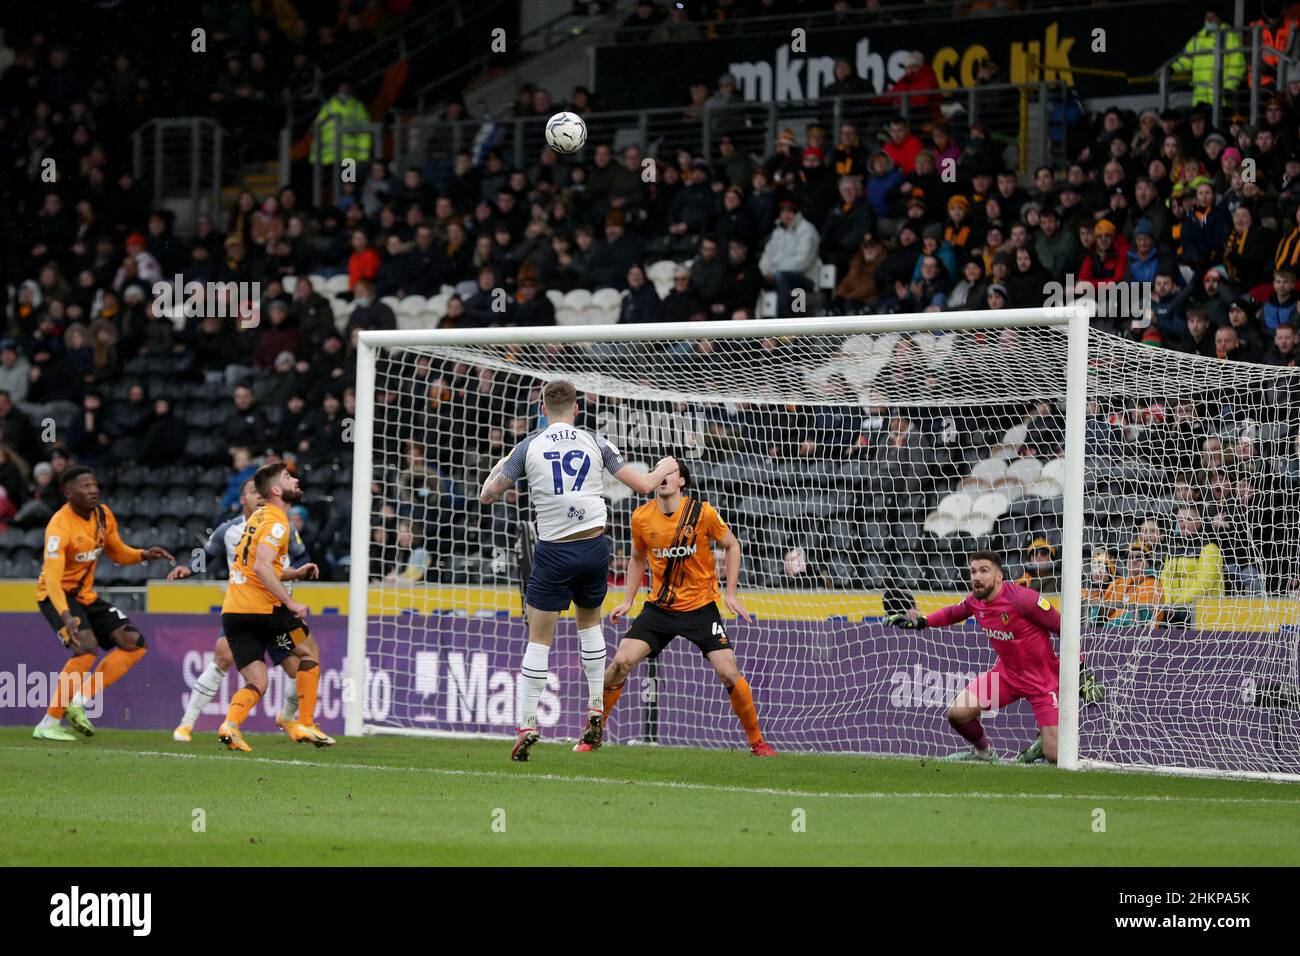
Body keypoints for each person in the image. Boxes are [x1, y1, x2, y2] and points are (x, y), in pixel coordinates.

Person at [478, 379, 678, 762]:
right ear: (576, 409)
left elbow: (487, 495)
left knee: (539, 639)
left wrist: (499, 467)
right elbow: (641, 486)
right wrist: (663, 468)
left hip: (554, 552)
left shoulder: (528, 446)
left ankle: (526, 723)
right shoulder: (595, 441)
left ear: (541, 409)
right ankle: (595, 707)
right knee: (590, 626)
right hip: (593, 548)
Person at [593, 461, 775, 756]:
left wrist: (731, 593)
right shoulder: (641, 517)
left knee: (729, 673)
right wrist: (628, 600)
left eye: (670, 471)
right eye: (658, 471)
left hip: (700, 608)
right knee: (619, 664)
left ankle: (757, 741)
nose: (663, 476)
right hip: (659, 609)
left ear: (681, 482)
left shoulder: (701, 513)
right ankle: (594, 732)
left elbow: (732, 545)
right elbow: (638, 557)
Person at [32, 466, 175, 741]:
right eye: (85, 487)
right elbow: (51, 579)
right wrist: (65, 615)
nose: (93, 490)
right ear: (68, 493)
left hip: (86, 596)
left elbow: (118, 553)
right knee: (86, 649)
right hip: (56, 596)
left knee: (134, 644)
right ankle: (48, 722)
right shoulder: (59, 527)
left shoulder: (103, 515)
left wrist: (144, 554)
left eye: (94, 484)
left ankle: (80, 701)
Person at [168, 478, 314, 742]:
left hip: (276, 609)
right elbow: (207, 553)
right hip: (245, 608)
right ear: (242, 500)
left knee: (302, 667)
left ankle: (289, 719)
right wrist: (188, 568)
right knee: (223, 657)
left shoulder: (283, 526)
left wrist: (294, 571)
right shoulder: (229, 529)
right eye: (252, 492)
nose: (259, 496)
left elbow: (301, 555)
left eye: (262, 492)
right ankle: (186, 724)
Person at [885, 551, 1063, 762]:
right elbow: (952, 613)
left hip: (1042, 682)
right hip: (1007, 676)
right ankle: (984, 753)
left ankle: (1040, 746)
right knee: (957, 714)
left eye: (984, 571)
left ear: (999, 576)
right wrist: (922, 621)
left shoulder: (1024, 599)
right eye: (973, 571)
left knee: (1056, 755)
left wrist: (1082, 669)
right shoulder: (975, 602)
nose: (977, 577)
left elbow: (1065, 628)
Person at [217, 462, 333, 752]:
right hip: (263, 609)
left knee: (257, 680)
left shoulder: (258, 517)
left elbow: (259, 565)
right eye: (288, 477)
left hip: (234, 611)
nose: (295, 479)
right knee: (309, 652)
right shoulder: (279, 523)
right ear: (277, 489)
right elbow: (261, 566)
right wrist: (291, 601)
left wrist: (294, 573)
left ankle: (230, 724)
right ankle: (305, 721)